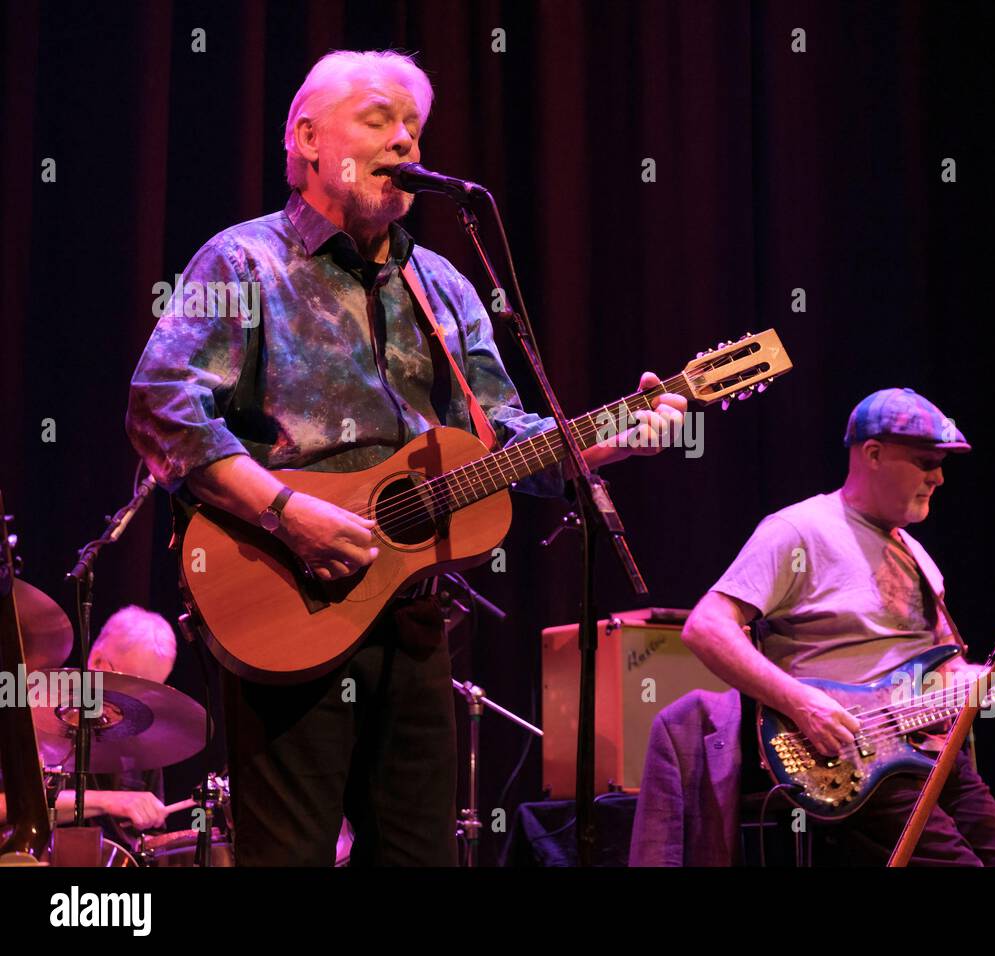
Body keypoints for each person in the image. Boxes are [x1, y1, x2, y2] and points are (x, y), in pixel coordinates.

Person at [125, 49, 686, 866]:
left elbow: (500, 440)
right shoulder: (243, 261)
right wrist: (289, 513)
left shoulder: (447, 286)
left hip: (414, 613)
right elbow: (160, 405)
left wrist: (615, 434)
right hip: (282, 597)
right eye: (380, 120)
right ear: (308, 139)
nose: (406, 145)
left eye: (415, 129)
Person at [681, 387, 995, 865]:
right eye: (926, 461)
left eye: (940, 465)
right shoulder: (798, 530)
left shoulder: (920, 558)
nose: (938, 477)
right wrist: (802, 702)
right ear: (873, 453)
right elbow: (706, 627)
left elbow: (954, 684)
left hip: (931, 758)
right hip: (847, 760)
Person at [0, 605, 175, 846]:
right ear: (98, 662)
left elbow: (150, 842)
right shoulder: (32, 712)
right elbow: (6, 805)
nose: (137, 703)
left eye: (147, 695)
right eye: (132, 686)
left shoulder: (143, 741)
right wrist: (107, 801)